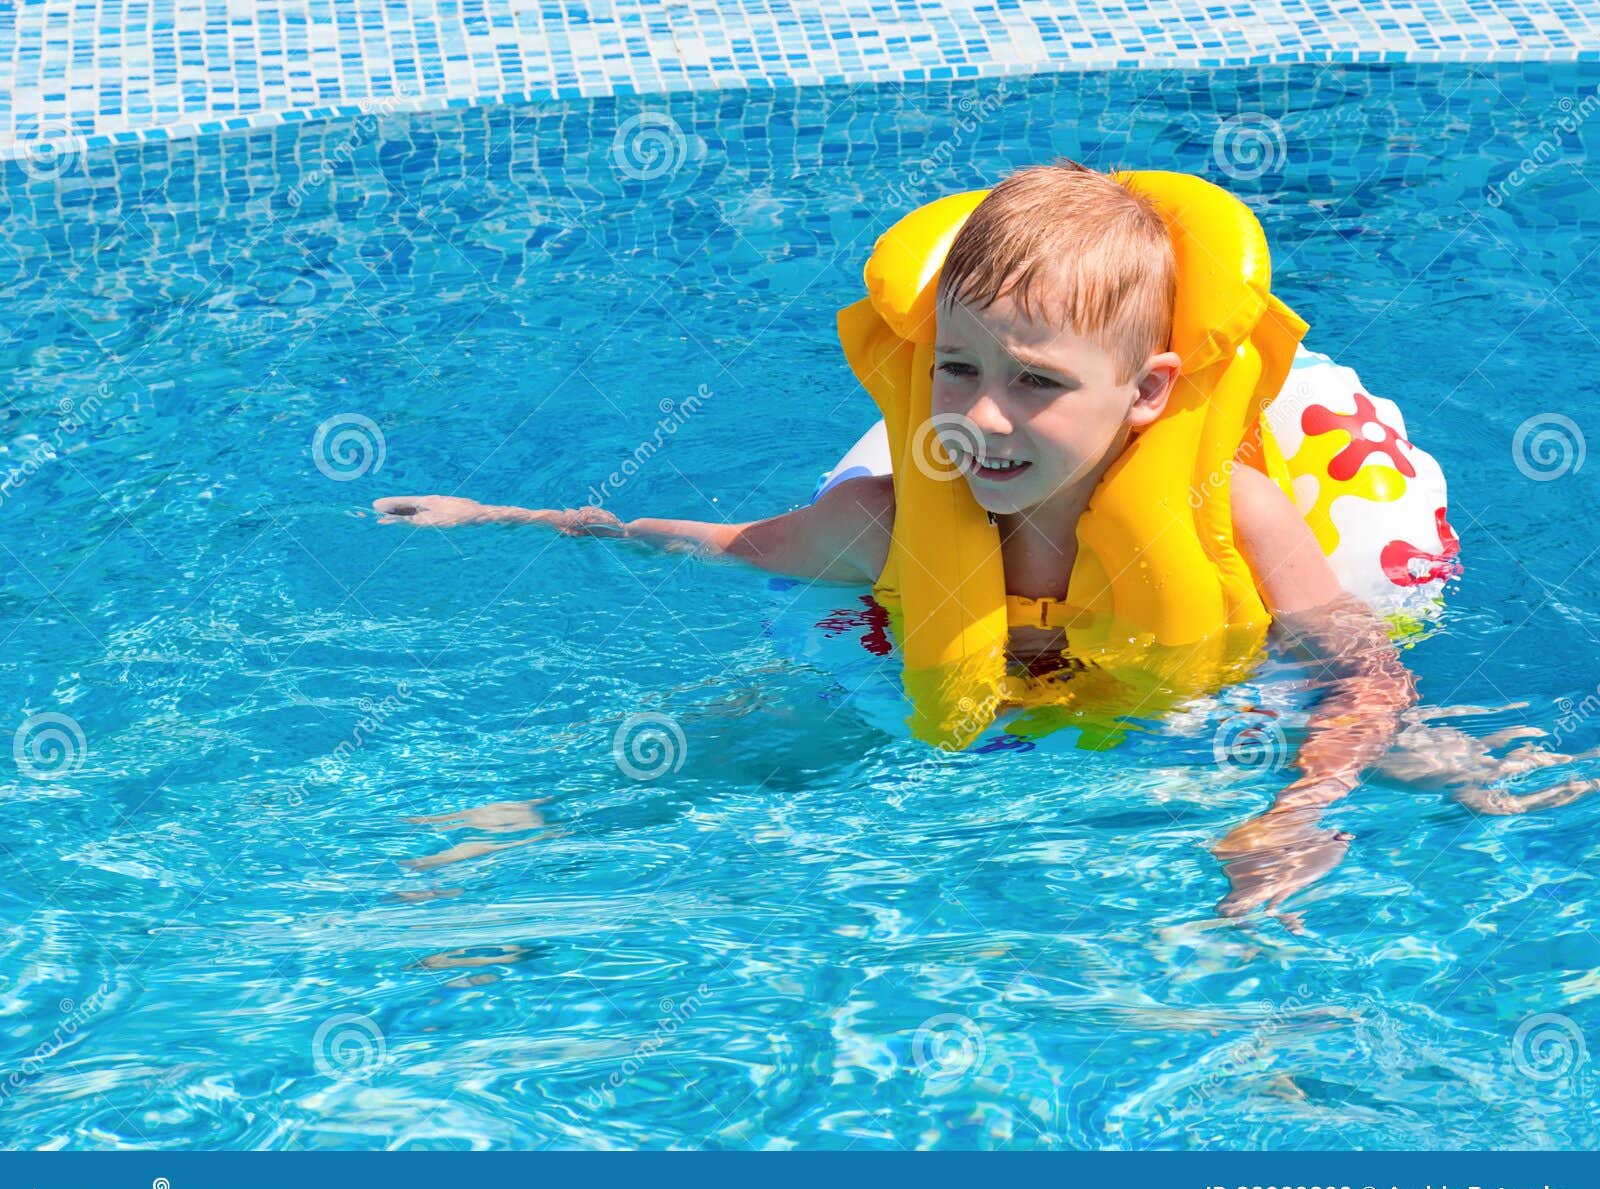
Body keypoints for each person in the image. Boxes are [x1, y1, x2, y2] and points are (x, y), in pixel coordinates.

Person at [371, 161, 1430, 926]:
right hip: (951, 704)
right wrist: (518, 519)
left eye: (1038, 381)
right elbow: (727, 544)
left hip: (1192, 714)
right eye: (957, 368)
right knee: (730, 732)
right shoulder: (891, 519)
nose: (983, 415)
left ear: (1148, 391)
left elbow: (1362, 674)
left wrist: (1300, 807)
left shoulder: (1228, 509)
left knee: (1418, 766)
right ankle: (539, 829)